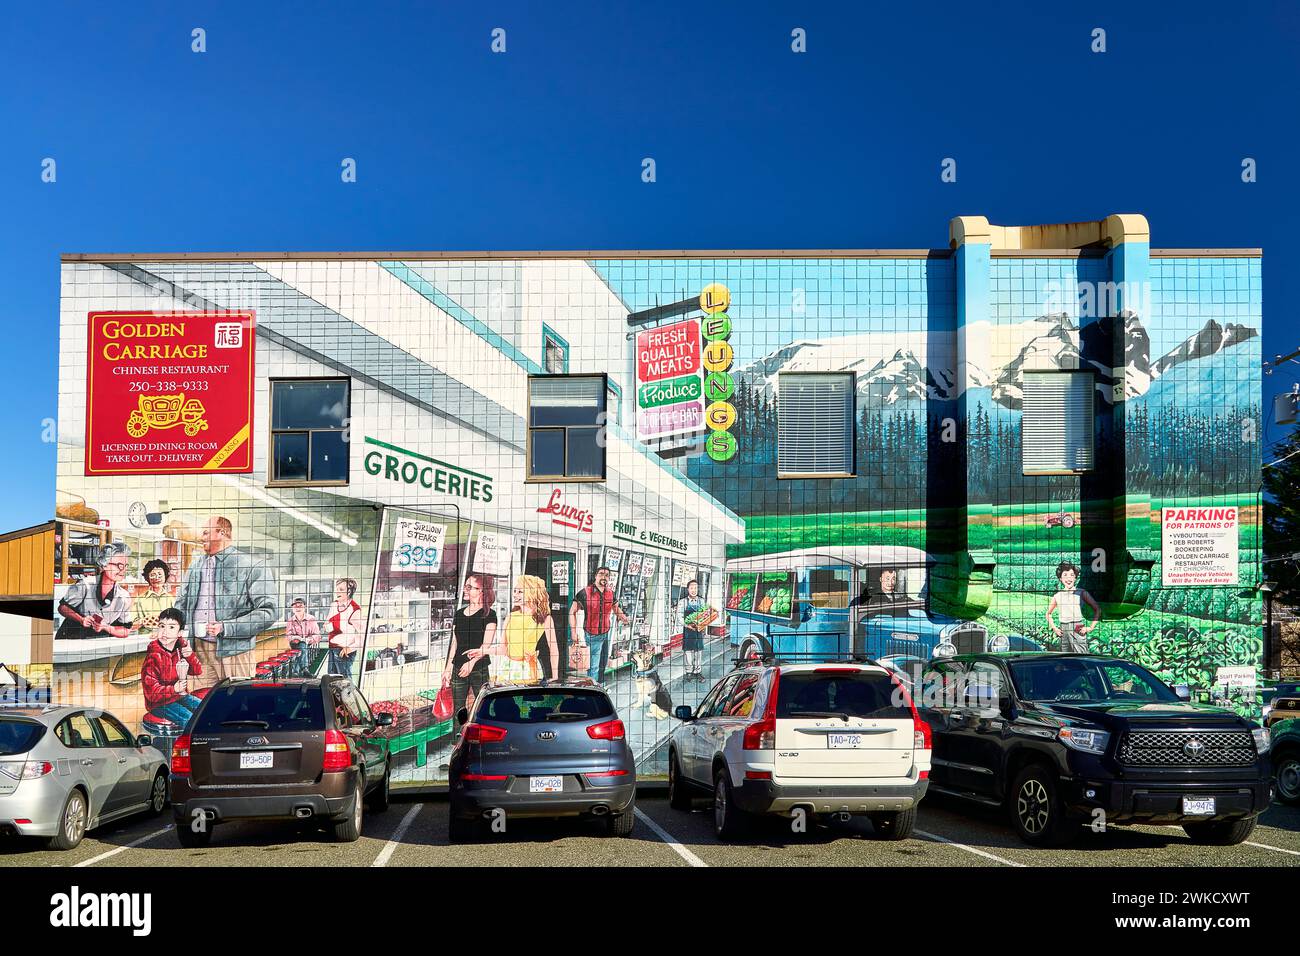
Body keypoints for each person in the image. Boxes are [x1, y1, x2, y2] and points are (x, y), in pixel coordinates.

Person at [174, 515, 277, 687]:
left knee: (237, 705)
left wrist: (226, 627)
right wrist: (170, 626)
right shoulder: (195, 565)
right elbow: (181, 604)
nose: (201, 537)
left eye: (206, 532)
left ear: (221, 533)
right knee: (201, 706)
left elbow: (269, 611)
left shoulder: (252, 565)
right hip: (198, 650)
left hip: (236, 651)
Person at [442, 573, 498, 719]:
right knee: (458, 712)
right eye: (465, 586)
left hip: (478, 668)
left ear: (481, 591)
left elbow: (485, 646)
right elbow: (454, 644)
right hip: (457, 668)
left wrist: (471, 663)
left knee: (483, 709)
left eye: (469, 587)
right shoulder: (459, 614)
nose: (465, 590)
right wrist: (447, 669)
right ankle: (457, 741)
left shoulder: (489, 615)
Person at [140, 607, 204, 728]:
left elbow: (197, 671)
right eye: (162, 626)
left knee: (206, 709)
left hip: (179, 696)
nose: (165, 632)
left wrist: (190, 656)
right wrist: (174, 689)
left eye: (171, 627)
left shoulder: (181, 647)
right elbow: (151, 694)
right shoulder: (154, 656)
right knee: (191, 720)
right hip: (159, 704)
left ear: (180, 633)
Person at [56, 542, 135, 640]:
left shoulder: (124, 596)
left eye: (125, 566)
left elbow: (125, 630)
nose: (123, 570)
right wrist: (81, 619)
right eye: (119, 565)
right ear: (104, 565)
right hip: (71, 637)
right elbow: (62, 608)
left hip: (100, 642)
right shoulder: (85, 584)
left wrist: (106, 627)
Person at [489, 575, 558, 683]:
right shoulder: (510, 616)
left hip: (529, 668)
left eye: (520, 592)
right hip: (507, 668)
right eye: (515, 591)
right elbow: (503, 648)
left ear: (532, 593)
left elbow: (553, 649)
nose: (515, 595)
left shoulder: (545, 619)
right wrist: (482, 651)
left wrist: (555, 676)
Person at [569, 566, 630, 683]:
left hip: (605, 633)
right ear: (595, 576)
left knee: (602, 664)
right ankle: (593, 691)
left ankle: (600, 686)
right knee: (593, 667)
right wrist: (573, 631)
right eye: (601, 574)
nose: (604, 577)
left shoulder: (610, 593)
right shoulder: (585, 593)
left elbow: (616, 609)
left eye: (607, 575)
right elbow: (572, 612)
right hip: (592, 635)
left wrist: (624, 618)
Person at [1045, 561, 1102, 653]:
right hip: (1063, 629)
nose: (1069, 578)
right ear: (1060, 578)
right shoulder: (1057, 596)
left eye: (1072, 575)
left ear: (1075, 577)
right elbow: (1048, 614)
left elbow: (1097, 609)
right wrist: (1055, 628)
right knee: (1066, 659)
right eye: (1065, 575)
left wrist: (1091, 628)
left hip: (1077, 627)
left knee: (1082, 657)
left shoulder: (1082, 593)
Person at [326, 578, 363, 677]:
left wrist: (350, 648)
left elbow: (364, 634)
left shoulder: (354, 609)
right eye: (337, 589)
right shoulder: (334, 605)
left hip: (343, 652)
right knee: (332, 682)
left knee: (344, 684)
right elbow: (327, 624)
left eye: (341, 589)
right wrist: (328, 627)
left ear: (349, 591)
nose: (338, 592)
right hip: (332, 648)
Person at [133, 559, 174, 636]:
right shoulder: (140, 600)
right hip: (145, 638)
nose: (157, 578)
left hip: (166, 638)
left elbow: (177, 622)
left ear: (165, 576)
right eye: (152, 575)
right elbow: (131, 625)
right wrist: (144, 621)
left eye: (160, 574)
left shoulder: (171, 599)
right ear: (147, 578)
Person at [284, 597, 322, 676]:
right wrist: (294, 638)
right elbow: (287, 636)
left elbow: (317, 636)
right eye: (295, 606)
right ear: (292, 609)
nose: (297, 608)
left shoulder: (311, 619)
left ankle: (295, 671)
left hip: (307, 643)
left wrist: (307, 640)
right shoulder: (290, 620)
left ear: (304, 607)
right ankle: (304, 669)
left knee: (302, 645)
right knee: (301, 645)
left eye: (300, 606)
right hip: (294, 644)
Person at [679, 579, 706, 681]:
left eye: (695, 588)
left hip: (699, 631)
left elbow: (705, 615)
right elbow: (679, 617)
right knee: (688, 653)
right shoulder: (683, 602)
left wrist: (703, 625)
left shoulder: (702, 601)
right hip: (688, 631)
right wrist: (687, 625)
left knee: (698, 652)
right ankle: (689, 672)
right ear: (688, 589)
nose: (693, 590)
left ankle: (698, 672)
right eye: (691, 588)